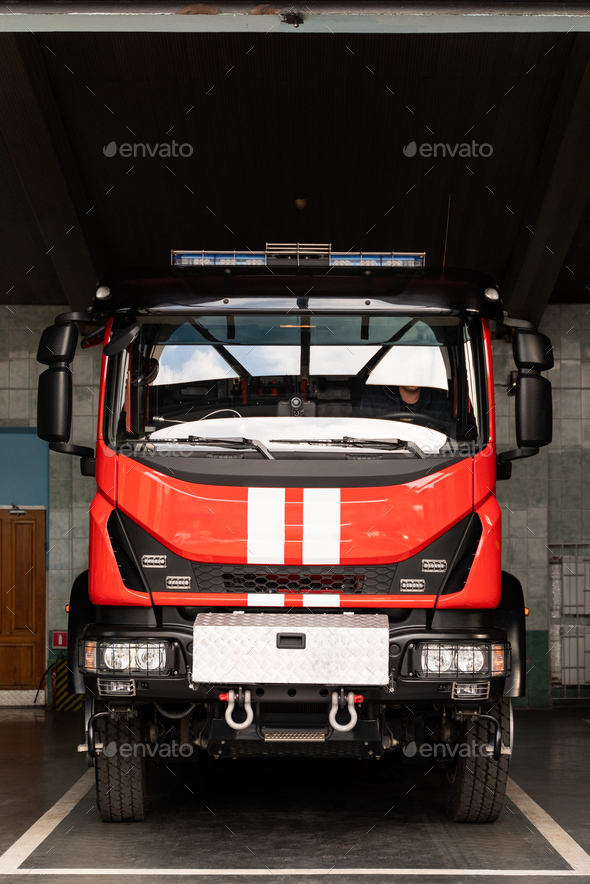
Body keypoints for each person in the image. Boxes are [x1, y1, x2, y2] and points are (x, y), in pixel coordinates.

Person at [356, 384, 453, 424]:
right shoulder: (373, 398)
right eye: (408, 370)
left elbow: (451, 439)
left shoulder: (440, 403)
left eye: (418, 370)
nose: (412, 375)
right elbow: (358, 431)